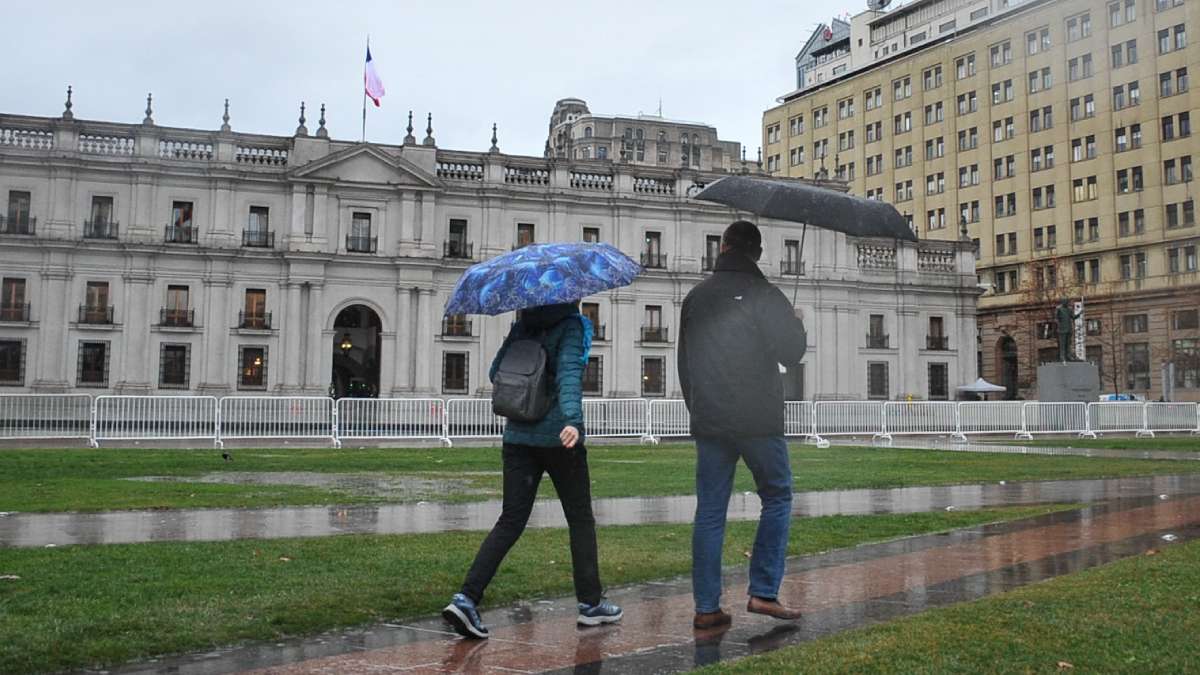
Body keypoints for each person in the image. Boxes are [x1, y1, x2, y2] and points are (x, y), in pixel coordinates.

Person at [442, 302, 622, 639]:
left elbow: (497, 371)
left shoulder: (521, 326)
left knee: (510, 521)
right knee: (581, 520)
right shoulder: (572, 326)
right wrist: (572, 421)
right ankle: (591, 604)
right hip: (558, 439)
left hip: (517, 436)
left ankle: (466, 598)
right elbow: (570, 375)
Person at [678, 220, 807, 630]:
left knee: (710, 511)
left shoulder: (695, 298)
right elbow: (793, 353)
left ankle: (706, 606)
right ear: (758, 253)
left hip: (711, 418)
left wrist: (696, 409)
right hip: (758, 418)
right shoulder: (767, 295)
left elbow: (684, 364)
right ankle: (763, 591)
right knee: (778, 496)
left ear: (724, 248)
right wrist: (795, 321)